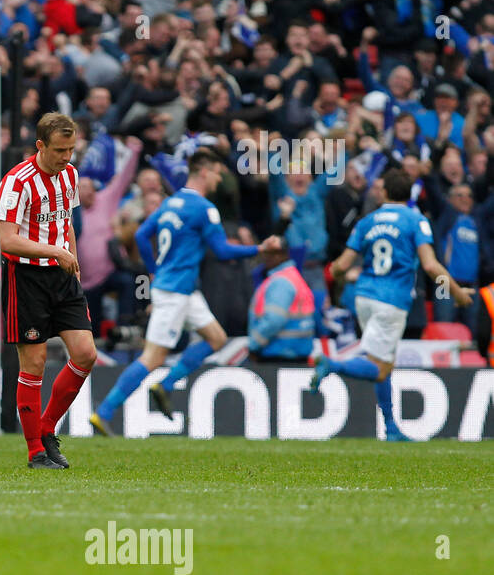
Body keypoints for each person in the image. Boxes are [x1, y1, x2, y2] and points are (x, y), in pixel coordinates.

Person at [91, 149, 282, 435]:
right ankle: (103, 412)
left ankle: (165, 385)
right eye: (217, 172)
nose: (219, 179)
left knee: (216, 338)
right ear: (204, 172)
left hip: (183, 290)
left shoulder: (170, 203)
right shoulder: (204, 208)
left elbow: (143, 236)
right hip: (176, 291)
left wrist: (154, 268)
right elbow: (221, 250)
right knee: (152, 357)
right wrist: (259, 248)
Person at [313, 168, 473, 440]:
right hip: (392, 300)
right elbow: (431, 266)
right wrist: (455, 293)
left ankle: (390, 427)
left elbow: (340, 266)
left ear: (384, 192)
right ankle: (332, 365)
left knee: (383, 360)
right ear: (409, 193)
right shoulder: (415, 220)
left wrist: (337, 275)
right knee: (380, 367)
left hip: (363, 297)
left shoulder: (366, 222)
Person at [0, 112, 96, 470]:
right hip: (27, 279)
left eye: (71, 149)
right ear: (40, 146)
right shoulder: (16, 182)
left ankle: (47, 427)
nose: (66, 157)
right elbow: (6, 240)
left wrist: (73, 257)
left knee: (85, 354)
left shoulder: (70, 175)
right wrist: (56, 251)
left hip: (63, 275)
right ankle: (35, 451)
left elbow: (64, 221)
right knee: (34, 363)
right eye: (59, 150)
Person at [248, 238, 315, 361]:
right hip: (294, 352)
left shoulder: (281, 282)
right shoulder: (293, 276)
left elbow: (274, 320)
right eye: (266, 253)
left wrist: (253, 345)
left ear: (283, 255)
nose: (267, 258)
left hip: (279, 353)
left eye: (272, 254)